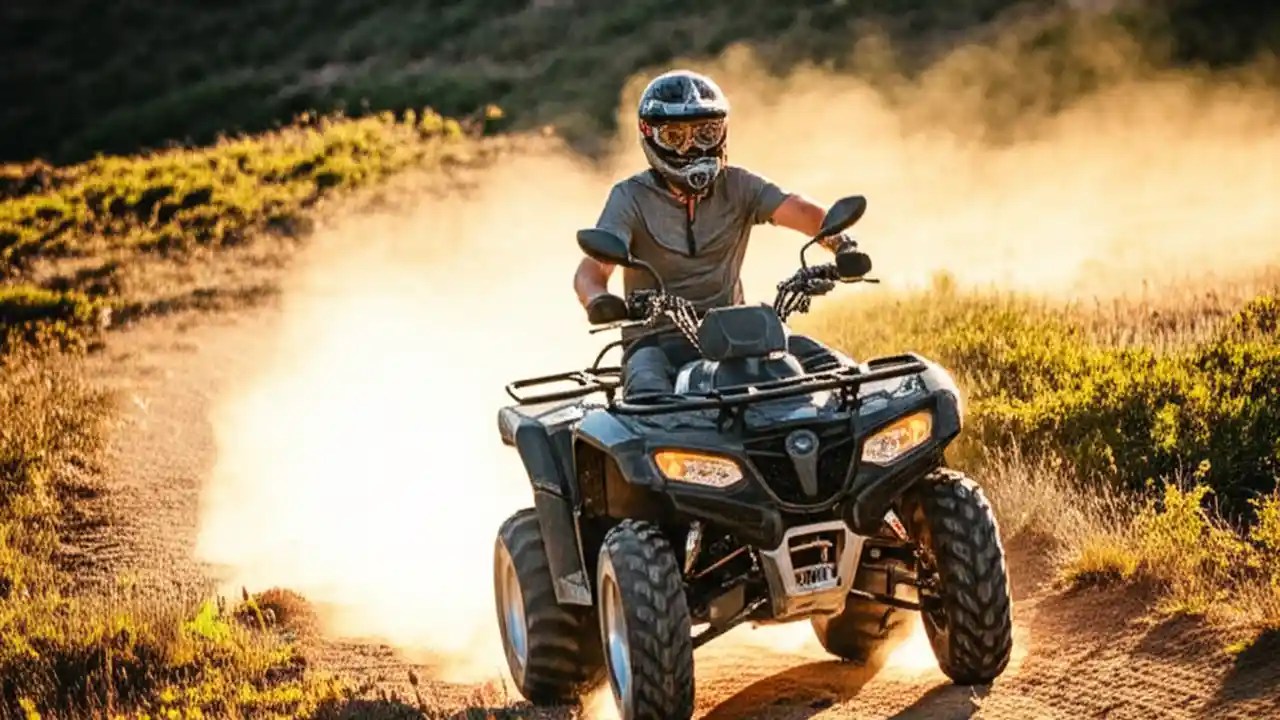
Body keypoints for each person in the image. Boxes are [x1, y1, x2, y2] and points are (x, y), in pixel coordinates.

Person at [573, 69, 856, 396]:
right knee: (647, 392)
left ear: (723, 132)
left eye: (706, 133)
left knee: (834, 371)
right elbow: (591, 270)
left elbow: (802, 211)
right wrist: (599, 299)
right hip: (657, 340)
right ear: (649, 135)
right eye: (675, 137)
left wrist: (843, 245)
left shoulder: (739, 184)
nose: (693, 147)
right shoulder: (630, 197)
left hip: (740, 334)